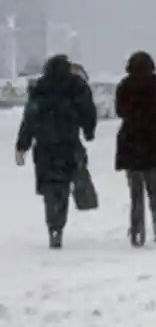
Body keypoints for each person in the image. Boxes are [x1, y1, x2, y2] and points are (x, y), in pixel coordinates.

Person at [14, 55, 98, 249]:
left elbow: (29, 118)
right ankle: (60, 221)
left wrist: (22, 145)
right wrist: (88, 131)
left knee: (51, 188)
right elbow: (88, 110)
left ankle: (54, 226)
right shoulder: (76, 86)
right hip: (69, 144)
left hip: (45, 148)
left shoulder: (40, 89)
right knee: (66, 183)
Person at [115, 51, 156, 247]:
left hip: (130, 140)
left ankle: (137, 229)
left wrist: (134, 114)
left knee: (136, 193)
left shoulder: (125, 85)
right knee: (154, 190)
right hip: (152, 140)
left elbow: (120, 111)